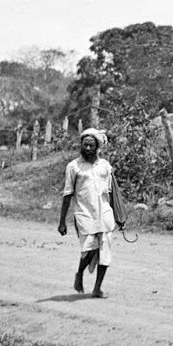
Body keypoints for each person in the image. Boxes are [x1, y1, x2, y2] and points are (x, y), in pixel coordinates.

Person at [58, 128, 126, 298]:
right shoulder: (73, 167)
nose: (88, 148)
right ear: (80, 145)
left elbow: (112, 191)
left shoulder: (105, 166)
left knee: (105, 253)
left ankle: (97, 288)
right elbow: (67, 194)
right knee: (89, 250)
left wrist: (119, 216)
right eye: (85, 145)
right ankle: (80, 273)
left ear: (97, 147)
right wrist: (62, 221)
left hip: (105, 214)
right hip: (84, 214)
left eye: (91, 145)